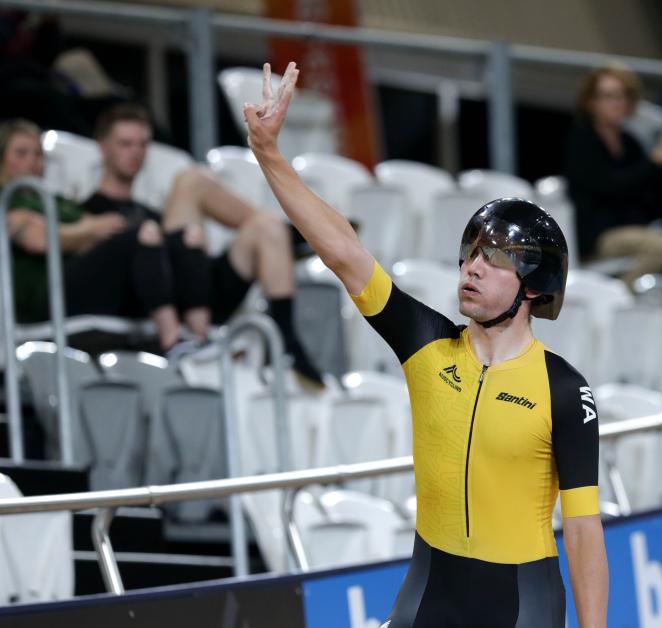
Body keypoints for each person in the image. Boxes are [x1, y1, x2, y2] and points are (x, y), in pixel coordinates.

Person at [245, 62, 607, 627]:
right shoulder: (428, 347)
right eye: (469, 253)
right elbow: (344, 251)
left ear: (535, 288)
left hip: (520, 607)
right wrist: (269, 152)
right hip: (428, 596)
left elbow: (584, 529)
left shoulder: (564, 389)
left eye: (496, 260)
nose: (472, 268)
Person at [83, 103, 323, 385]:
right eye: (125, 143)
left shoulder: (152, 212)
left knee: (266, 227)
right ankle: (290, 235)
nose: (135, 152)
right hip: (144, 297)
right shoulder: (89, 212)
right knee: (192, 181)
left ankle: (286, 337)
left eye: (142, 144)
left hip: (191, 288)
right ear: (102, 148)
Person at [1, 118, 182, 351]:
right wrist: (88, 230)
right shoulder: (7, 199)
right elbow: (39, 240)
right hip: (44, 301)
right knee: (136, 236)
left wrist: (59, 230)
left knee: (165, 240)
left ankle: (190, 336)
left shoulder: (58, 202)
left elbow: (91, 235)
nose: (33, 161)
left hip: (77, 288)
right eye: (21, 153)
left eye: (38, 154)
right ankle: (172, 341)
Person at [565, 63, 662, 288]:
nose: (617, 103)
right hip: (601, 235)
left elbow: (655, 193)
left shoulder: (630, 143)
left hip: (645, 230)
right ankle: (617, 306)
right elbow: (612, 188)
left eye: (623, 96)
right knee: (659, 246)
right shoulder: (582, 141)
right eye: (609, 96)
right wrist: (660, 156)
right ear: (591, 102)